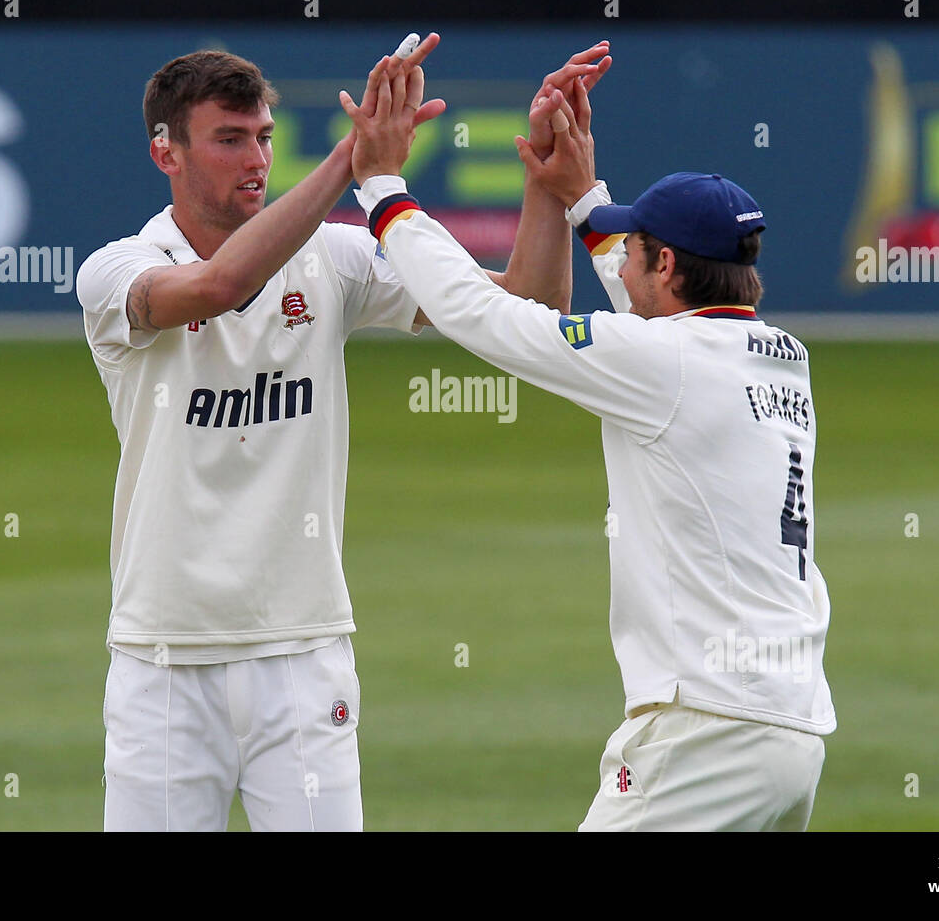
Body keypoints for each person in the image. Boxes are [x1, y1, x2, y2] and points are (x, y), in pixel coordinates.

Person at [75, 37, 610, 831]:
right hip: (162, 656)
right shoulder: (118, 270)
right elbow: (221, 286)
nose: (255, 158)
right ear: (166, 152)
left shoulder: (338, 258)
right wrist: (355, 163)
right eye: (229, 139)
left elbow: (523, 307)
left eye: (262, 136)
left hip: (302, 650)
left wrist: (544, 185)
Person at [341, 62, 836, 831]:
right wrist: (583, 201)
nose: (625, 256)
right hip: (789, 727)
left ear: (666, 263)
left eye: (636, 246)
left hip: (705, 729)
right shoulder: (782, 358)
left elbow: (484, 315)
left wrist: (383, 192)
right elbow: (652, 315)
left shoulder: (663, 363)